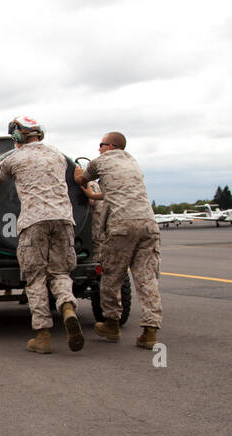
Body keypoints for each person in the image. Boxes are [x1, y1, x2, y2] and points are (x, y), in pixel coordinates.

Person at [0, 116, 84, 354]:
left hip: (34, 222)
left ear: (17, 137)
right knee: (60, 271)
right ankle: (67, 306)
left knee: (36, 277)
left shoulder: (14, 158)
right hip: (64, 219)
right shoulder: (58, 155)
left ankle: (42, 335)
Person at [76, 131, 162, 349]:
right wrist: (94, 196)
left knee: (112, 275)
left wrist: (78, 173)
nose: (99, 148)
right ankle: (150, 331)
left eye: (101, 144)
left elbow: (81, 179)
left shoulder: (100, 162)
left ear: (111, 146)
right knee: (146, 278)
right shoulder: (132, 162)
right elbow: (118, 192)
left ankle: (112, 324)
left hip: (122, 225)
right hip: (148, 224)